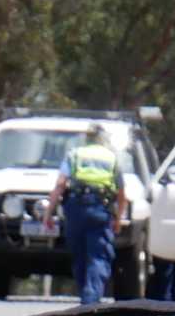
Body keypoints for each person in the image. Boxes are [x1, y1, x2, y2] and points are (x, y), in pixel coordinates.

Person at [53, 131, 125, 306]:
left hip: (75, 208)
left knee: (79, 255)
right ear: (103, 140)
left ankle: (86, 297)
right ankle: (90, 300)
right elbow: (121, 192)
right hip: (100, 208)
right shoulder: (111, 158)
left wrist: (49, 212)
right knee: (98, 256)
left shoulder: (74, 154)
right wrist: (118, 219)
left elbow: (61, 184)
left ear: (87, 139)